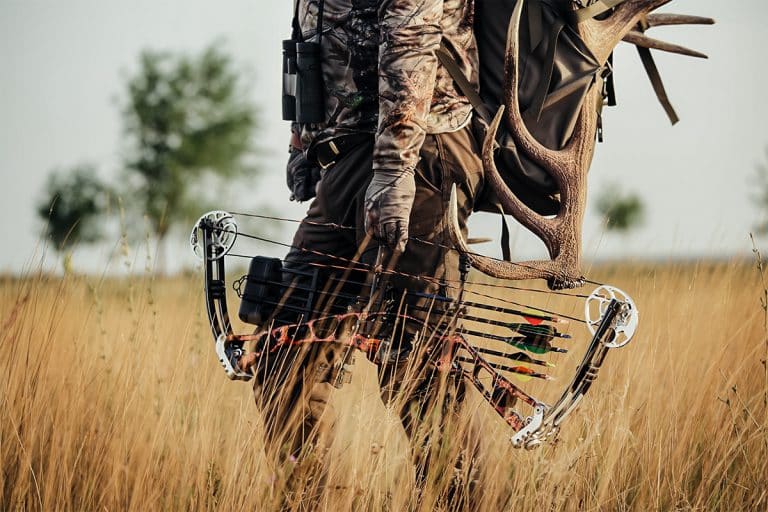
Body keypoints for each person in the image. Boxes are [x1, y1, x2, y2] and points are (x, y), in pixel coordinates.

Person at [248, 0, 485, 503]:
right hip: (348, 162)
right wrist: (304, 140)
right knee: (284, 348)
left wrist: (394, 167)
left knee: (416, 363)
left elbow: (412, 38)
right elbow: (312, 39)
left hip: (421, 157)